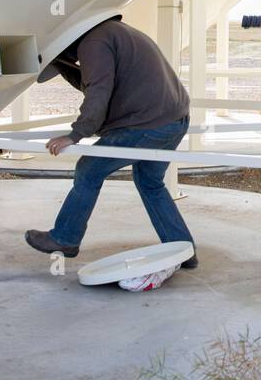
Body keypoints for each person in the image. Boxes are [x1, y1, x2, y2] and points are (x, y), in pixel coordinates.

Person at [24, 16, 198, 268]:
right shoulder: (112, 33)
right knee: (150, 183)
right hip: (174, 119)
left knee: (89, 169)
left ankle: (65, 238)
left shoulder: (93, 43)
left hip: (147, 123)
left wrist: (75, 134)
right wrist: (65, 67)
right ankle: (184, 249)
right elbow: (97, 81)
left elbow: (98, 90)